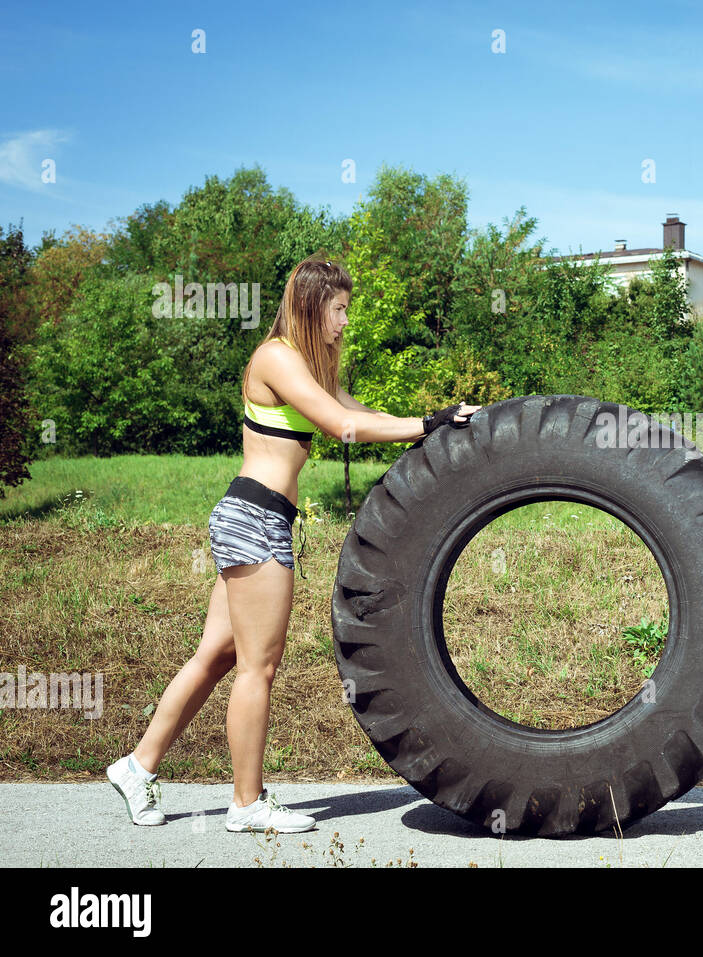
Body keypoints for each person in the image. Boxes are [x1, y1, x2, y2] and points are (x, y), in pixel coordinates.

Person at [106, 257, 481, 832]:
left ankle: (137, 766)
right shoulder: (276, 357)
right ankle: (246, 804)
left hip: (257, 517)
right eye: (340, 310)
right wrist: (427, 424)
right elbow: (339, 425)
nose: (346, 322)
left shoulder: (304, 367)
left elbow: (359, 412)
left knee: (218, 655)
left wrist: (439, 422)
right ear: (312, 305)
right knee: (260, 665)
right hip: (253, 518)